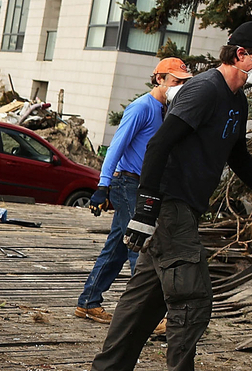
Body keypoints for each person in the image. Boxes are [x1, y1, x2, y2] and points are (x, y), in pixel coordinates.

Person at [85, 20, 252, 371]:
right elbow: (158, 144)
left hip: (184, 207)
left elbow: (239, 158)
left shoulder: (238, 101)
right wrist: (147, 210)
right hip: (169, 205)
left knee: (147, 296)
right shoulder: (203, 90)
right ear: (240, 54)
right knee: (192, 296)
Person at [75, 57, 192, 323]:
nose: (180, 87)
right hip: (127, 183)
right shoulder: (141, 108)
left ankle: (88, 302)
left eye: (183, 82)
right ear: (159, 79)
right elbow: (116, 146)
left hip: (144, 185)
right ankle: (146, 315)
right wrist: (102, 186)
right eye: (175, 81)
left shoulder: (167, 110)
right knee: (139, 245)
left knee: (118, 246)